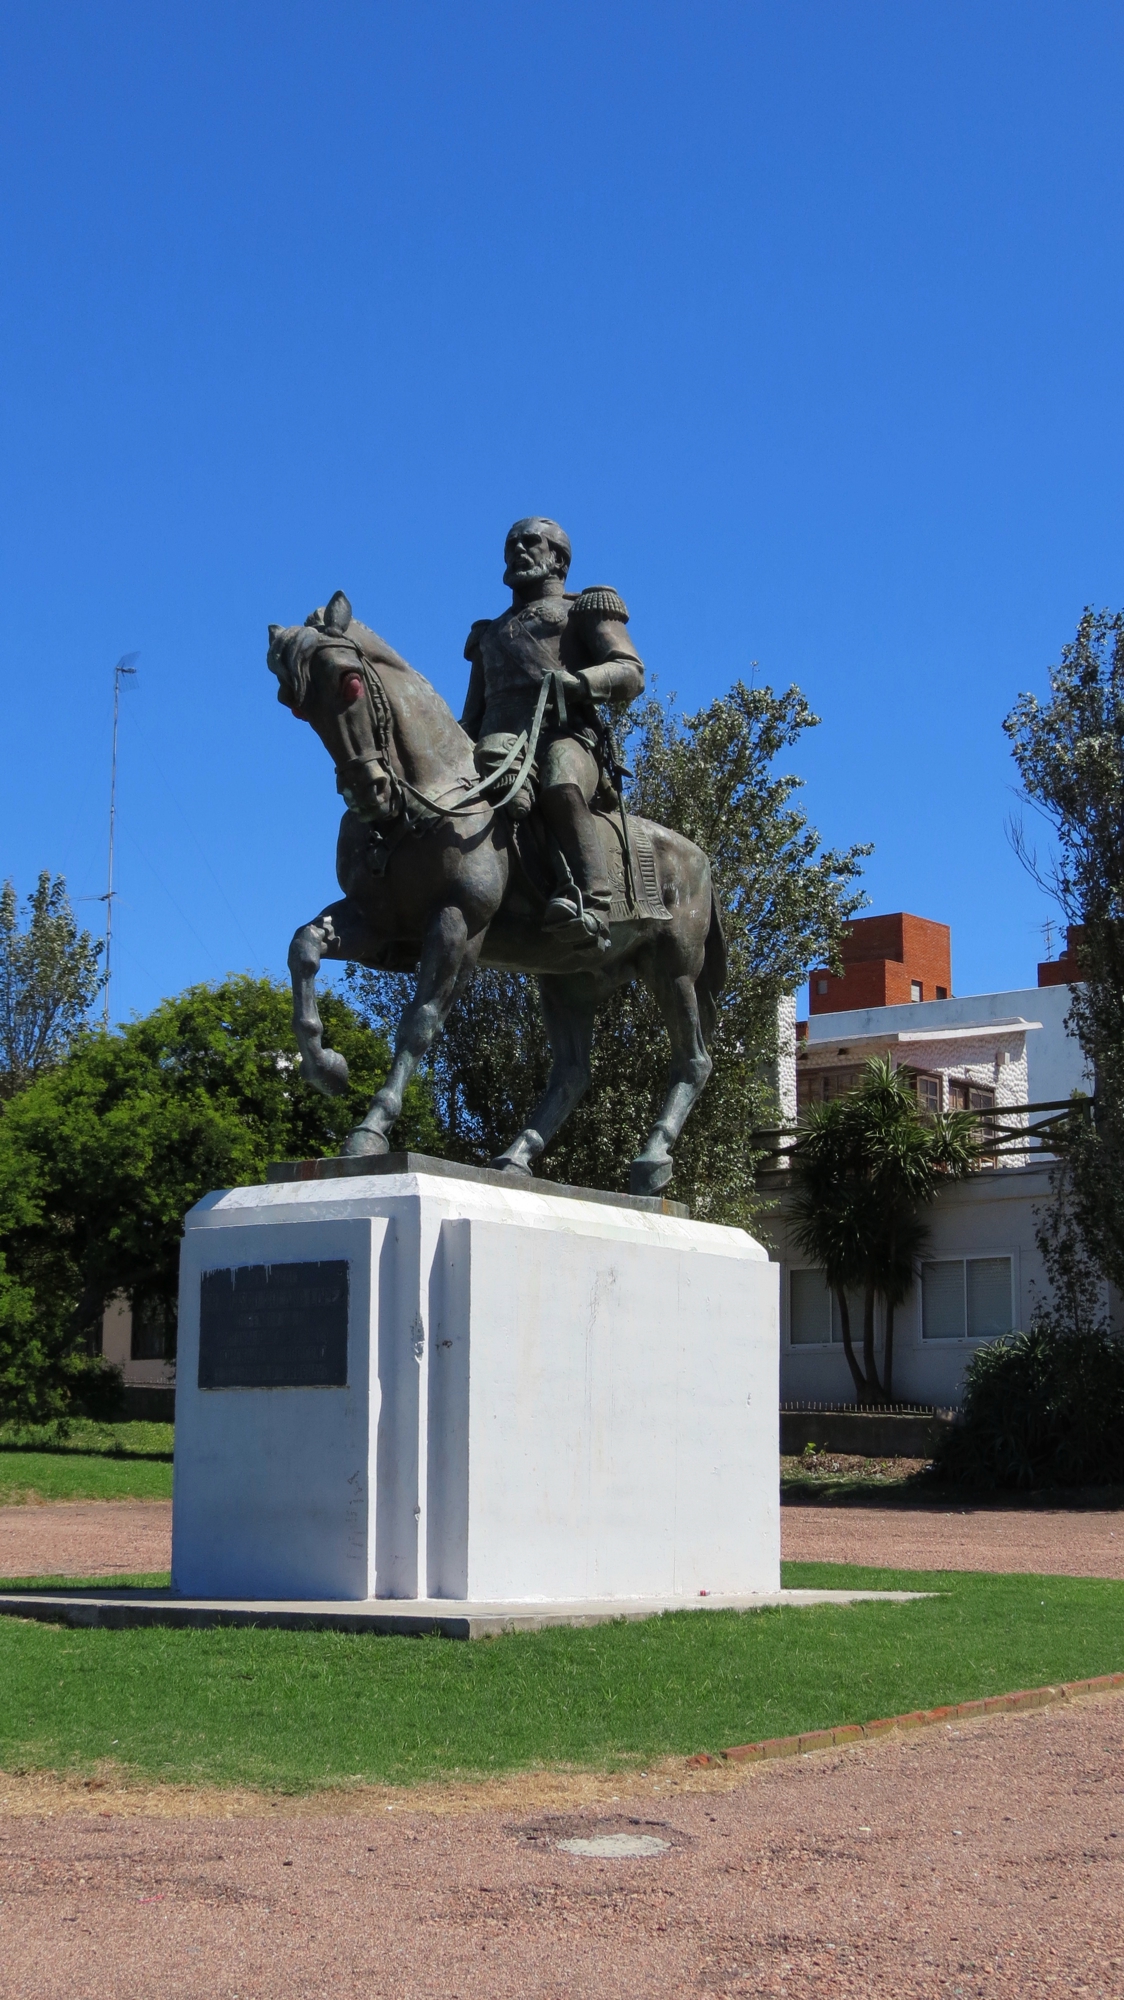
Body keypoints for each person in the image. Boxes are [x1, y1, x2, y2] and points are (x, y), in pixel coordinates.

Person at [460, 517, 644, 944]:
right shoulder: (488, 635)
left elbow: (630, 671)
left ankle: (592, 900)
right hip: (496, 747)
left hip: (567, 737)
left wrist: (581, 683)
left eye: (530, 543)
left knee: (561, 781)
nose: (518, 551)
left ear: (558, 558)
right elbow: (472, 715)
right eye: (511, 545)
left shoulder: (584, 609)